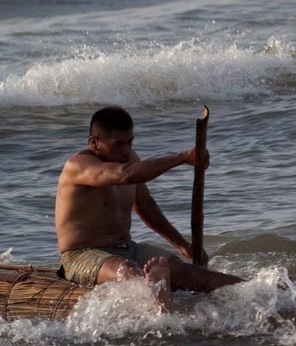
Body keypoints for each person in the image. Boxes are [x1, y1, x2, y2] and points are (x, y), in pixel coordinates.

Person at [55, 106, 242, 307]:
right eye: (118, 144)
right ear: (94, 143)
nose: (126, 150)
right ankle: (162, 313)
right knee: (127, 271)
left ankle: (258, 290)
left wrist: (181, 244)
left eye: (130, 142)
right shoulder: (78, 166)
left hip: (128, 248)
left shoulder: (130, 160)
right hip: (81, 255)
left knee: (186, 272)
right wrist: (182, 157)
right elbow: (124, 174)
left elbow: (145, 206)